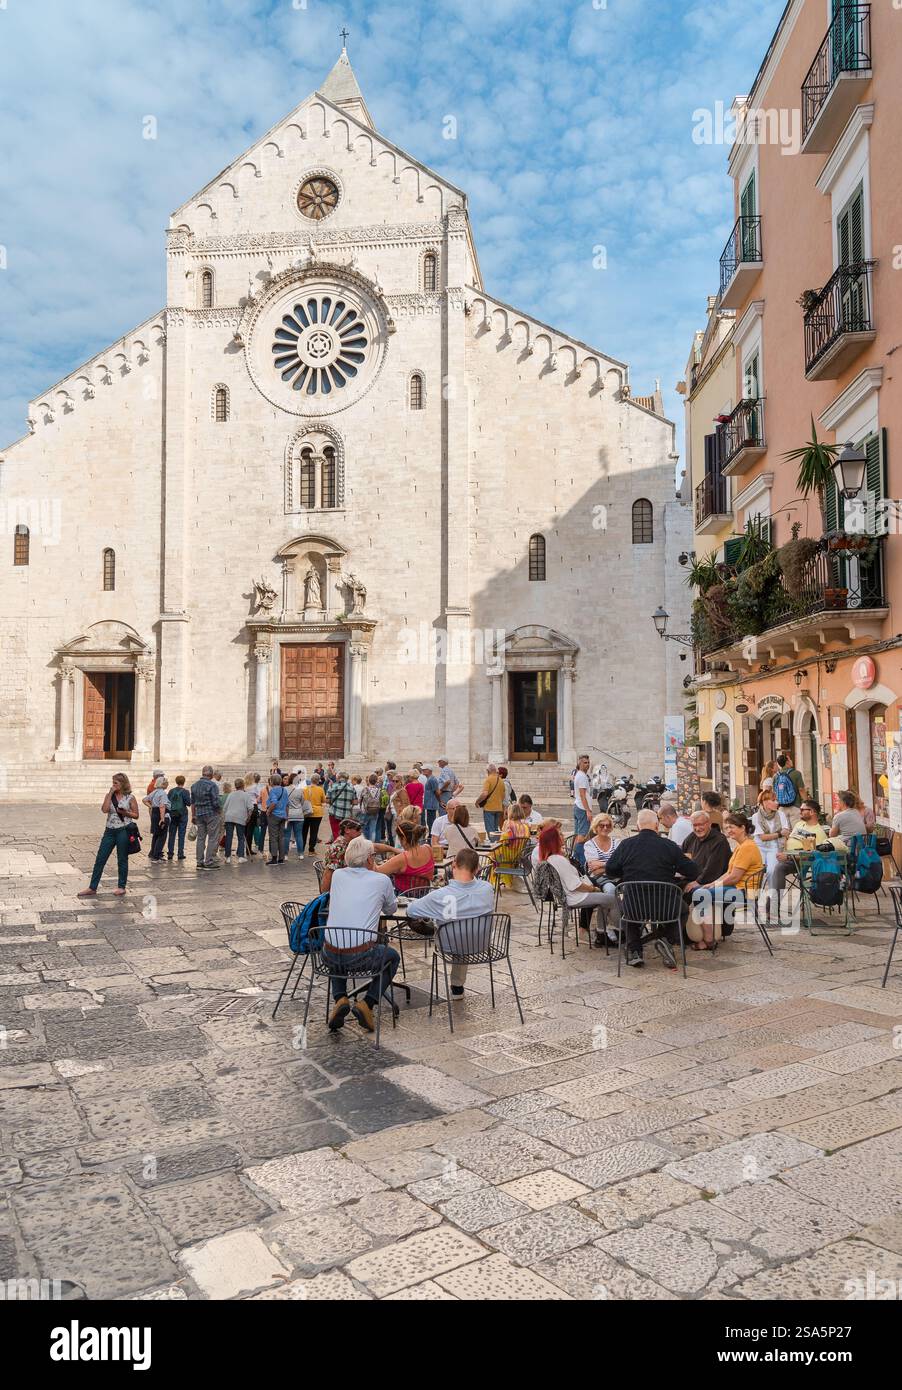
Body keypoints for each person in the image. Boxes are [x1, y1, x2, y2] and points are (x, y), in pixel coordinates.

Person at [604, 809, 701, 968]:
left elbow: (610, 870)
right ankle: (666, 939)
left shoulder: (626, 844)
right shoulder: (668, 845)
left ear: (637, 825)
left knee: (627, 911)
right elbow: (693, 871)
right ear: (657, 826)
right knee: (683, 910)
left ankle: (635, 951)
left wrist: (627, 873)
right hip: (665, 907)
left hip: (634, 907)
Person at [323, 837, 400, 1034]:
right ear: (369, 859)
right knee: (391, 957)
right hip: (360, 957)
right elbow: (391, 909)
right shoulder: (381, 880)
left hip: (329, 955)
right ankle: (368, 1003)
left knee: (339, 939)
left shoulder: (338, 875)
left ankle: (340, 997)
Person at [406, 848, 496, 997]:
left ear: (454, 864)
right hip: (482, 943)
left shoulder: (441, 895)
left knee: (450, 928)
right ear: (477, 869)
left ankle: (457, 986)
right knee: (464, 927)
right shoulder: (487, 888)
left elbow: (411, 911)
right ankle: (457, 985)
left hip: (449, 945)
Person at [536, 823, 619, 947]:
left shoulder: (551, 858)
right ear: (553, 840)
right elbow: (575, 885)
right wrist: (593, 889)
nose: (563, 836)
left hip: (571, 895)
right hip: (575, 896)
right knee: (612, 899)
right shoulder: (558, 860)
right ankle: (622, 929)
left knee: (605, 899)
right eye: (560, 834)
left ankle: (602, 933)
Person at [689, 813, 763, 951]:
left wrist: (712, 886)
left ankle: (708, 940)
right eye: (727, 827)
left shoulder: (747, 847)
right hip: (739, 889)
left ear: (742, 828)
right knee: (701, 891)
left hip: (744, 893)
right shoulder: (741, 846)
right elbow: (728, 873)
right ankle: (711, 935)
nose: (729, 830)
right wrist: (711, 884)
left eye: (732, 827)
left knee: (700, 895)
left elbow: (734, 877)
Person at [78, 774, 140, 898]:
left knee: (122, 858)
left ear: (123, 784)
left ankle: (121, 886)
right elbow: (105, 810)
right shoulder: (109, 796)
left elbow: (136, 815)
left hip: (123, 830)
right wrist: (110, 793)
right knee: (100, 858)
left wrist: (125, 812)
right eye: (113, 782)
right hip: (109, 831)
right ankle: (92, 887)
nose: (113, 785)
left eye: (116, 783)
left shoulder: (130, 797)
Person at [771, 798, 829, 892]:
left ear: (812, 812)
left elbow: (810, 855)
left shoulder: (818, 832)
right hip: (787, 856)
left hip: (801, 862)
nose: (799, 812)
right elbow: (791, 840)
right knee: (765, 865)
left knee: (779, 868)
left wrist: (788, 856)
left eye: (802, 810)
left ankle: (775, 901)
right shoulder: (799, 824)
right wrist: (786, 837)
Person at [581, 813, 622, 942]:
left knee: (631, 890)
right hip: (597, 878)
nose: (605, 828)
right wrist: (612, 865)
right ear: (596, 827)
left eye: (608, 825)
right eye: (601, 825)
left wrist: (603, 864)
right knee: (610, 891)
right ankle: (605, 928)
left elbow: (621, 864)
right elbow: (595, 869)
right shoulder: (589, 844)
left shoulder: (617, 842)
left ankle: (619, 926)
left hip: (617, 876)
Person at [377, 818, 435, 893]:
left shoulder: (403, 858)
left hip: (404, 898)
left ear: (404, 839)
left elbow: (377, 871)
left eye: (399, 839)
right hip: (425, 894)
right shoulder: (428, 848)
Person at [680, 811, 731, 889]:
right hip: (691, 878)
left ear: (709, 823)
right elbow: (681, 855)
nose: (697, 828)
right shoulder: (692, 837)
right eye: (694, 825)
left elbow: (713, 869)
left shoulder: (719, 840)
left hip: (710, 882)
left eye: (701, 824)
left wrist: (698, 882)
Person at [752, 792, 791, 883]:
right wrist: (779, 834)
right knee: (757, 872)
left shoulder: (780, 814)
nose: (777, 802)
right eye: (773, 800)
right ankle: (756, 895)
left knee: (772, 871)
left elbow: (786, 832)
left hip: (774, 846)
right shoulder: (756, 817)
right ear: (764, 802)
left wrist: (780, 836)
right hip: (759, 847)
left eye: (776, 800)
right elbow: (763, 837)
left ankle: (772, 895)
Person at [491, 802, 531, 890]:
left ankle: (493, 882)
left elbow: (504, 841)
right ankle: (507, 881)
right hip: (517, 856)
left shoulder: (509, 825)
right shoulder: (526, 827)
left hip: (507, 856)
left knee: (491, 856)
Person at [191, 765, 223, 871]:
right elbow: (215, 802)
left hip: (199, 814)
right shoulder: (212, 785)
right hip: (211, 814)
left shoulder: (194, 785)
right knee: (213, 838)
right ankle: (209, 861)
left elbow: (193, 803)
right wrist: (219, 810)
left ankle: (199, 862)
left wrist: (193, 815)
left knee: (201, 838)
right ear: (211, 774)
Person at [321, 818, 363, 891]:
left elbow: (373, 846)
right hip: (340, 886)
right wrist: (326, 897)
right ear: (347, 830)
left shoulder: (349, 842)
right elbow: (328, 874)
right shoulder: (338, 847)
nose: (360, 832)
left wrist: (390, 849)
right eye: (358, 829)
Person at [223, 778, 251, 862]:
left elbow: (224, 808)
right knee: (241, 837)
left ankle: (227, 857)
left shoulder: (231, 794)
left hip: (229, 817)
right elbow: (250, 808)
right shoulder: (246, 795)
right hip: (240, 817)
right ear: (243, 785)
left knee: (229, 837)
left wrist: (224, 818)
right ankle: (241, 856)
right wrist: (248, 818)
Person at [264, 774, 290, 865]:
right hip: (283, 815)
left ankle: (274, 858)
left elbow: (274, 802)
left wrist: (268, 811)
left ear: (272, 781)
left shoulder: (273, 791)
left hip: (274, 815)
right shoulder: (284, 790)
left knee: (273, 837)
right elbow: (287, 804)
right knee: (281, 837)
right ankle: (281, 858)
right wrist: (287, 815)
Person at [283, 776, 310, 858]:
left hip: (288, 814)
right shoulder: (300, 790)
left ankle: (285, 854)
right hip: (299, 814)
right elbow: (302, 801)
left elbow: (284, 802)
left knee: (287, 835)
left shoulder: (285, 789)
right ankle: (301, 854)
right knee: (299, 834)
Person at [145, 776, 171, 862]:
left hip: (155, 814)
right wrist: (162, 818)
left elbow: (144, 800)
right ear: (163, 784)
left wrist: (151, 807)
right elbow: (162, 806)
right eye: (166, 782)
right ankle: (156, 855)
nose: (167, 784)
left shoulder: (155, 792)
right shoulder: (162, 793)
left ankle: (153, 853)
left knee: (156, 834)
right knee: (162, 835)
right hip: (161, 814)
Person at [166, 775, 191, 861]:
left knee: (172, 834)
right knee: (181, 834)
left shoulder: (171, 791)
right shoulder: (185, 792)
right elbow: (189, 803)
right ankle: (180, 853)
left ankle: (170, 853)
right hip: (182, 814)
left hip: (172, 814)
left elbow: (167, 802)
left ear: (176, 782)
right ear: (184, 782)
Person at [477, 763, 505, 835]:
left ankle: (493, 844)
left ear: (487, 771)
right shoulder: (501, 780)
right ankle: (496, 844)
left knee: (490, 831)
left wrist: (477, 801)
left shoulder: (488, 780)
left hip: (489, 808)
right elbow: (503, 795)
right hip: (498, 808)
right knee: (496, 830)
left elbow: (485, 794)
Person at [327, 772, 356, 841]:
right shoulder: (351, 788)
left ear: (338, 778)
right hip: (346, 814)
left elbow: (327, 800)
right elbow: (355, 802)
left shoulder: (333, 786)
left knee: (335, 832)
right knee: (345, 833)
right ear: (347, 779)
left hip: (334, 813)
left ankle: (338, 847)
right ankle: (344, 847)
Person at [303, 774, 326, 858]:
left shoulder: (304, 789)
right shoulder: (320, 789)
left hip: (306, 812)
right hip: (317, 812)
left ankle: (301, 849)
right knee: (314, 831)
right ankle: (311, 850)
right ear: (318, 781)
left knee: (304, 831)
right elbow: (323, 800)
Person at [572, 754, 592, 840]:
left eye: (588, 762)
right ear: (579, 763)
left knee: (577, 833)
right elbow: (582, 795)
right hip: (582, 808)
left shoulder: (579, 774)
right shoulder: (582, 777)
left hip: (578, 806)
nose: (587, 764)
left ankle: (574, 851)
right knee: (583, 834)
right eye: (585, 763)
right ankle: (578, 852)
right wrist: (588, 811)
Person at [359, 773, 382, 843]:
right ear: (376, 781)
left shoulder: (365, 789)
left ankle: (365, 842)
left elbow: (360, 799)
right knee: (373, 829)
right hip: (376, 810)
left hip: (366, 810)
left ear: (369, 780)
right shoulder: (379, 790)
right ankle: (372, 844)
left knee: (364, 828)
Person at [422, 766, 441, 833]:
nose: (423, 770)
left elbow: (437, 791)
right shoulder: (429, 779)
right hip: (429, 804)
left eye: (425, 769)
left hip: (432, 804)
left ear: (429, 770)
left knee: (431, 822)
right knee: (429, 821)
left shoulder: (432, 779)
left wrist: (440, 801)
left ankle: (431, 835)